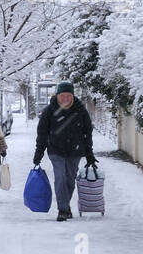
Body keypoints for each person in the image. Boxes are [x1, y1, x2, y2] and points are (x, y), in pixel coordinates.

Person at [33, 81, 97, 221]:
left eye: (69, 96)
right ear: (57, 96)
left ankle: (66, 206)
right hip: (56, 150)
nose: (66, 99)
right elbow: (42, 134)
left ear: (73, 96)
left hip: (75, 151)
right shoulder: (49, 111)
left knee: (69, 179)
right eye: (63, 95)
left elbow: (87, 133)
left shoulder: (80, 110)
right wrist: (39, 153)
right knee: (61, 177)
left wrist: (89, 153)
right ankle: (62, 209)